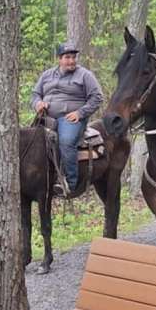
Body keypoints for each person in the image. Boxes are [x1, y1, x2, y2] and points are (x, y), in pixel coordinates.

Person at [31, 43, 104, 197]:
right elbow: (35, 94)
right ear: (59, 59)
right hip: (47, 117)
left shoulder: (84, 75)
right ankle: (36, 180)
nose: (71, 61)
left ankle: (69, 183)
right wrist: (38, 103)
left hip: (70, 118)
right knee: (29, 141)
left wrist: (80, 112)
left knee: (66, 141)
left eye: (73, 57)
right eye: (67, 57)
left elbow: (97, 98)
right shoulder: (47, 75)